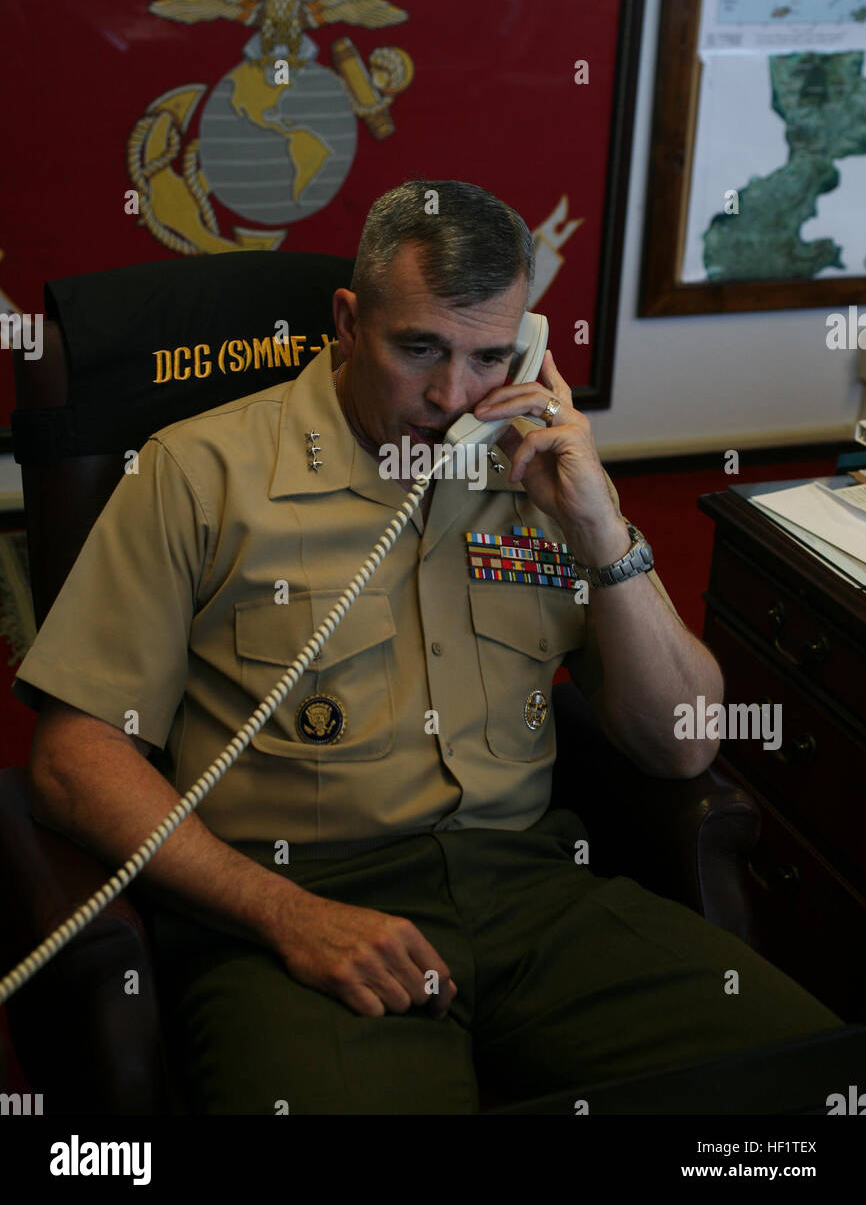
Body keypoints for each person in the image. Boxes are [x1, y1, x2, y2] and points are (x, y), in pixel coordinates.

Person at [15, 179, 842, 1115]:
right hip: (298, 903)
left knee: (806, 1103)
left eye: (490, 356)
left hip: (534, 891)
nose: (452, 397)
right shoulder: (197, 473)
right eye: (419, 350)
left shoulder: (536, 477)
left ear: (527, 348)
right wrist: (287, 915)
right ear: (348, 321)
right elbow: (74, 759)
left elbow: (683, 742)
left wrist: (603, 532)